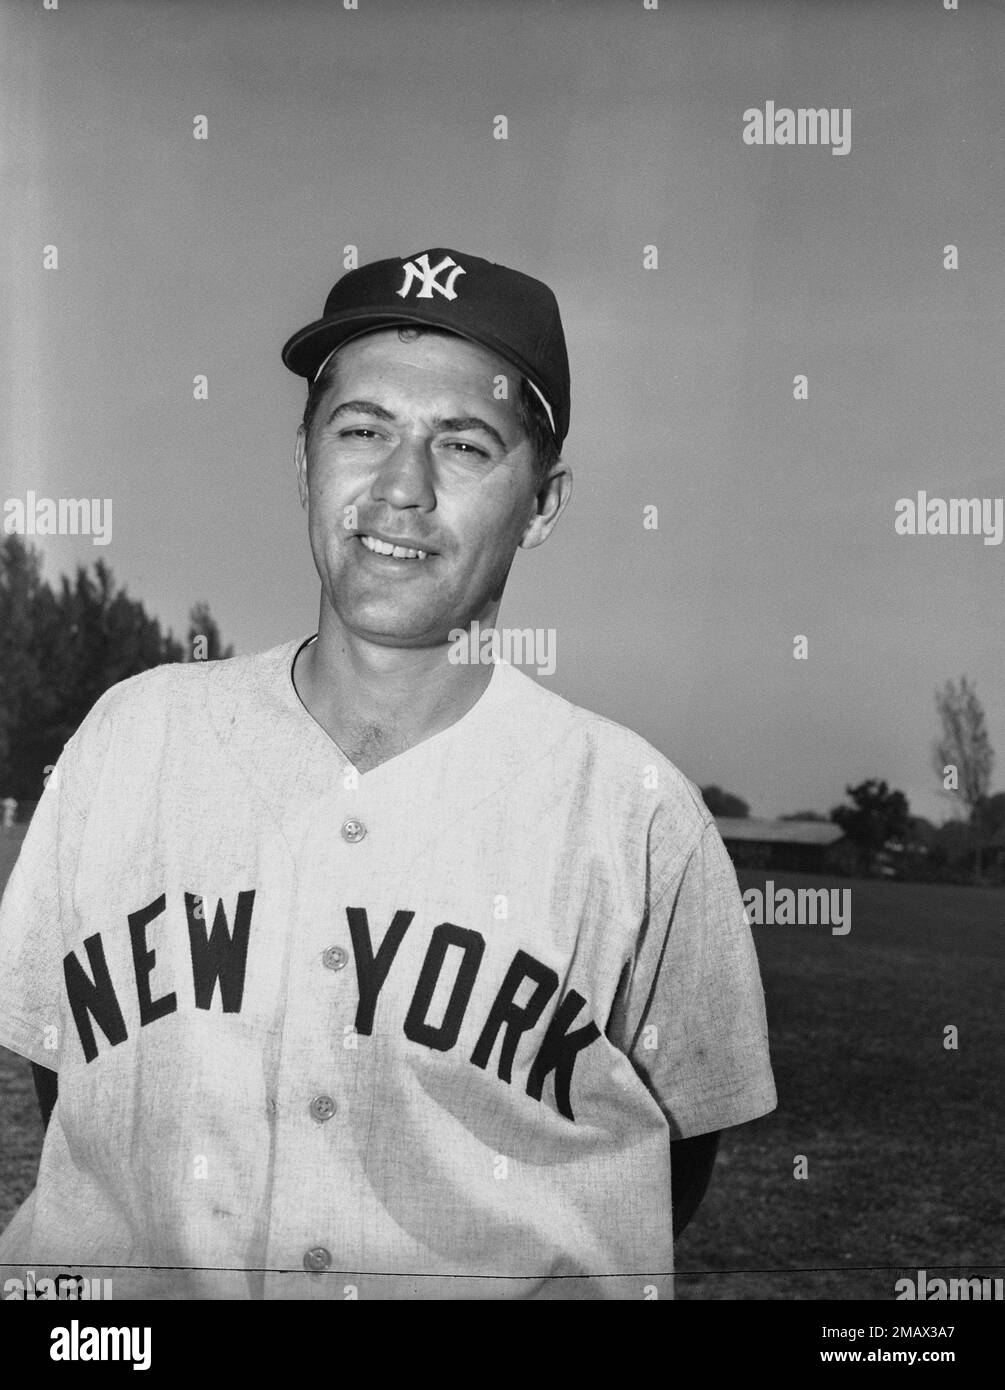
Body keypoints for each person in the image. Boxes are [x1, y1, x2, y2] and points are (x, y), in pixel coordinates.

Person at [0, 247, 775, 1300]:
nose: (400, 489)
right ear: (305, 461)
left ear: (542, 504)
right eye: (362, 430)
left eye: (463, 444)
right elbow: (76, 1082)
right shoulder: (130, 740)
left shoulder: (636, 815)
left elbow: (666, 1165)